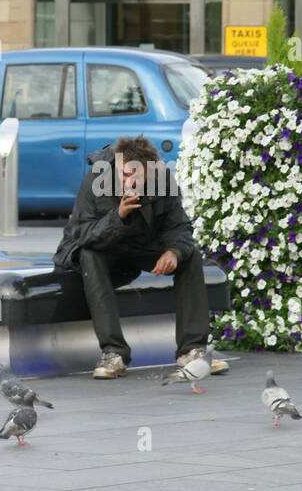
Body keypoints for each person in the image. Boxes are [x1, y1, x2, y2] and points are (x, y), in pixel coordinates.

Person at [54, 135, 227, 379]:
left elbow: (179, 227)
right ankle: (113, 353)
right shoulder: (96, 178)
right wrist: (119, 215)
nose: (130, 181)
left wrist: (173, 252)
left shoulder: (163, 178)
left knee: (190, 256)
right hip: (101, 247)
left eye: (137, 175)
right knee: (90, 255)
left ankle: (192, 350)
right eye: (125, 175)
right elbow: (82, 234)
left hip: (139, 246)